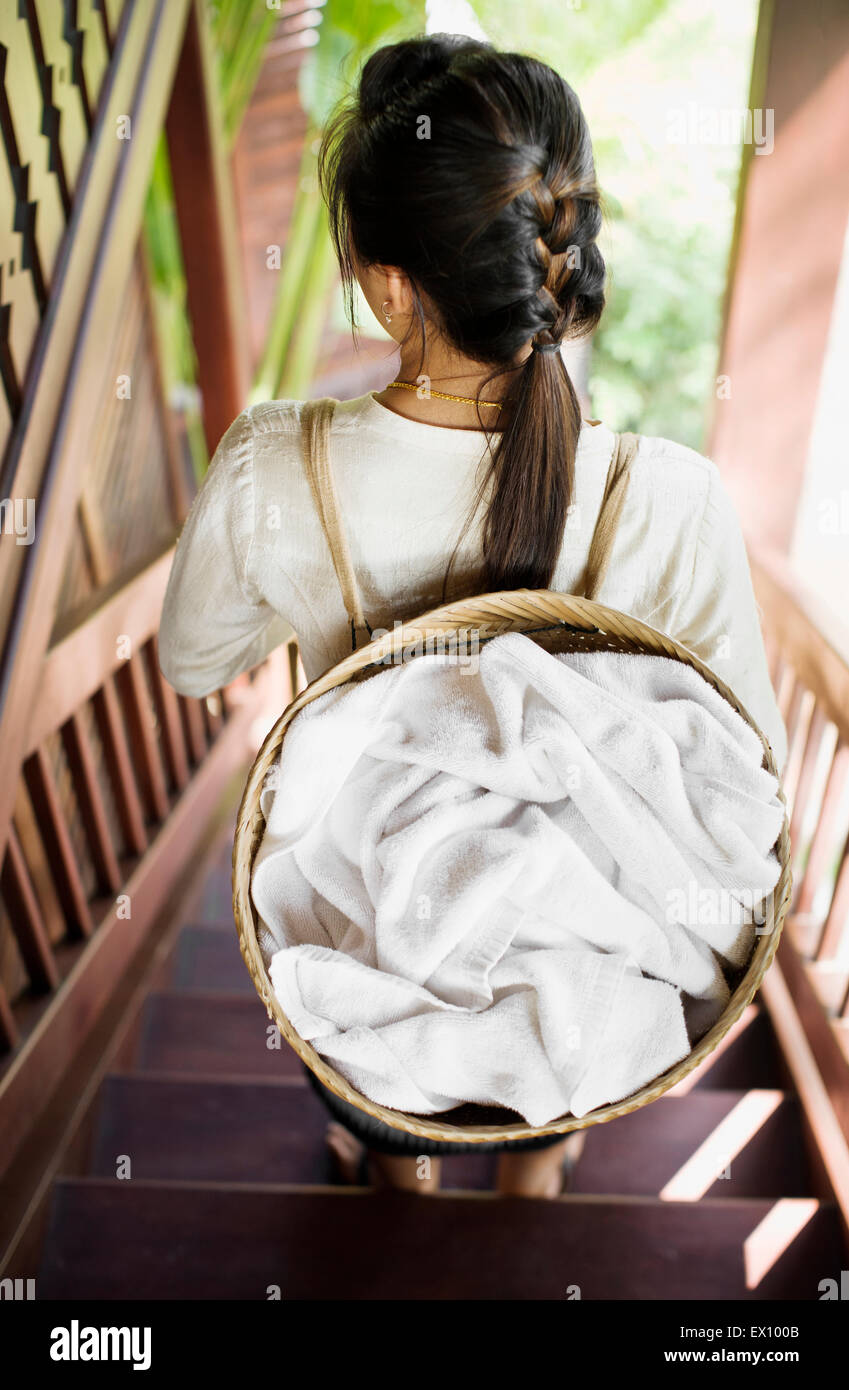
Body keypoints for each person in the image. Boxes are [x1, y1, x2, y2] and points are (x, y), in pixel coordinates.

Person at [158, 33, 787, 1200]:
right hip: (591, 988)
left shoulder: (274, 466)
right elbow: (751, 777)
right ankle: (533, 1182)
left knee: (383, 1119)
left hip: (367, 958)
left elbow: (196, 664)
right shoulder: (669, 497)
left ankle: (392, 1177)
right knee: (542, 1107)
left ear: (392, 284)